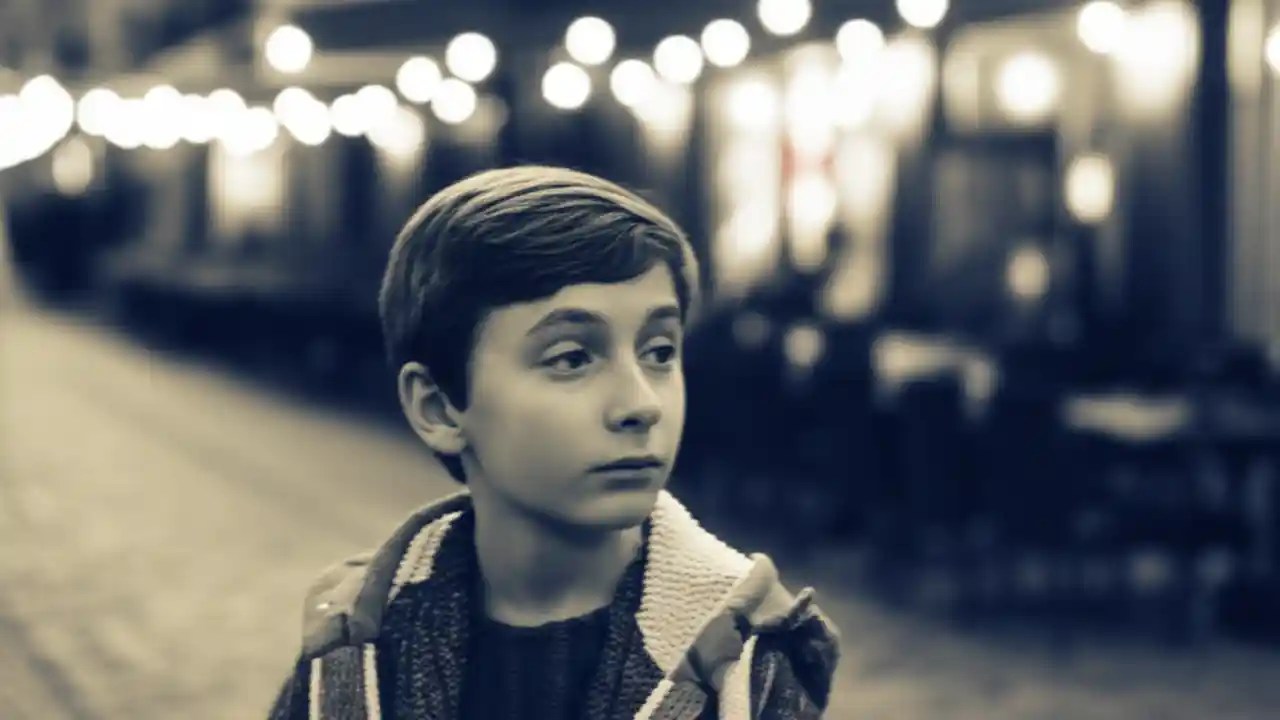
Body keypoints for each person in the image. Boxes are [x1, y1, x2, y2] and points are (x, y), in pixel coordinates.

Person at [268, 165, 841, 719]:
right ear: (438, 406)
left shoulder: (745, 656)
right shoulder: (354, 646)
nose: (641, 403)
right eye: (571, 358)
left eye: (660, 352)